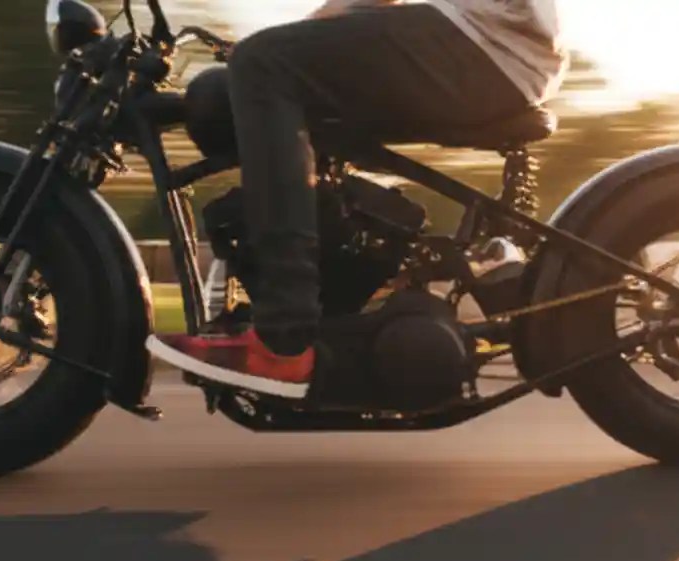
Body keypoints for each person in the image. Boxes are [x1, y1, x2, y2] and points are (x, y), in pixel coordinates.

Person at [147, 0, 565, 399]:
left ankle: (283, 337)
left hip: (487, 45)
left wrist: (304, 29)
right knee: (260, 72)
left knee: (261, 63)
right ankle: (332, 299)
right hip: (491, 44)